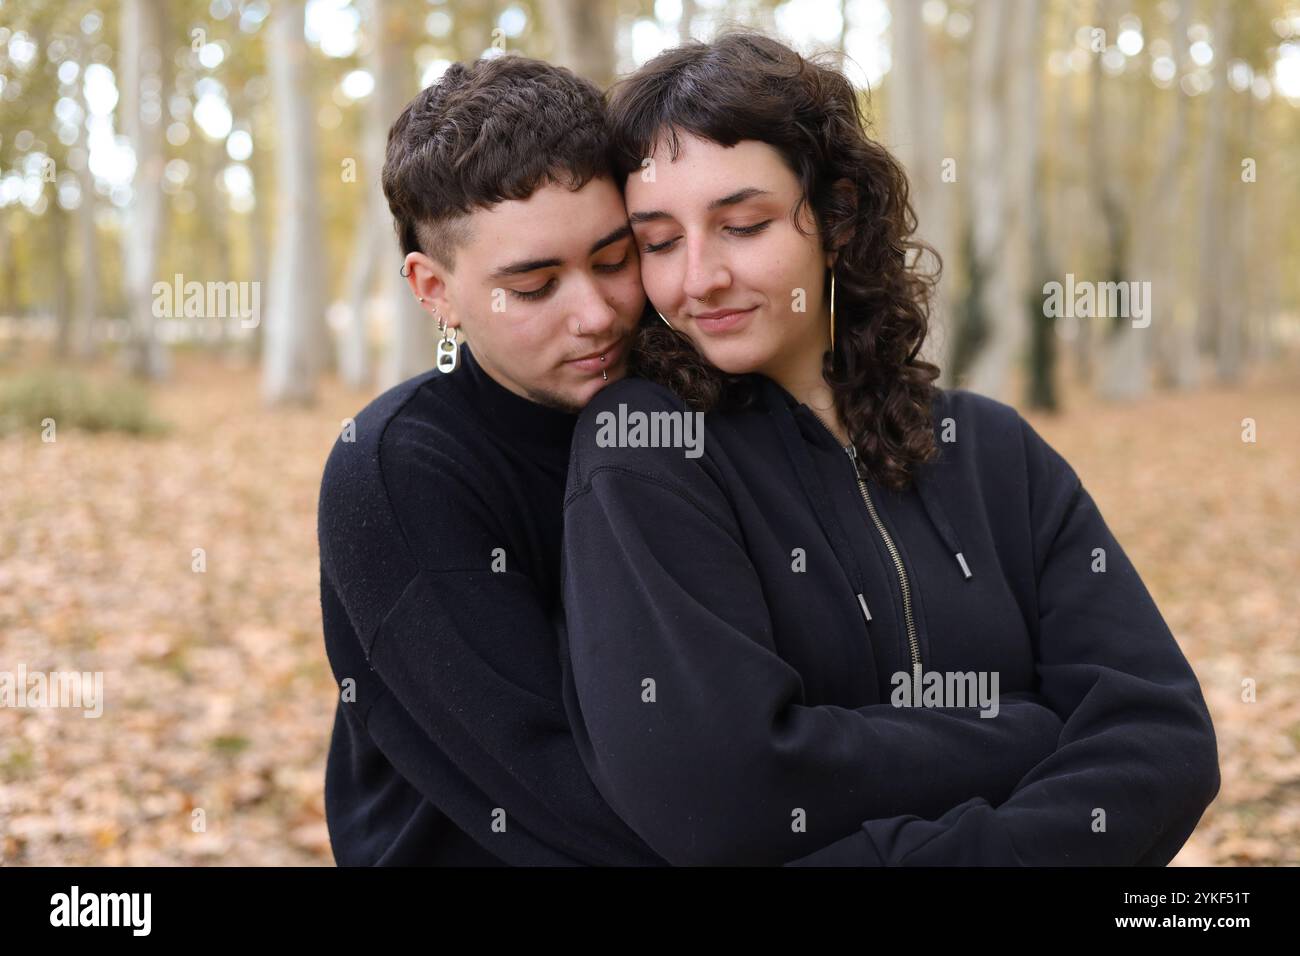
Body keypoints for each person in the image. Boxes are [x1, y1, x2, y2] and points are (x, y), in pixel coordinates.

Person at [558, 31, 1221, 866]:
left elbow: (1162, 738)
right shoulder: (646, 451)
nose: (699, 277)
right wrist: (1027, 731)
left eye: (744, 225)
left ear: (836, 218)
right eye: (658, 242)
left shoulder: (993, 452)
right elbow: (718, 793)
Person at [318, 54, 660, 865]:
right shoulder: (398, 471)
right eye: (536, 286)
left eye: (615, 260)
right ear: (434, 290)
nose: (597, 313)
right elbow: (554, 785)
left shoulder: (683, 400)